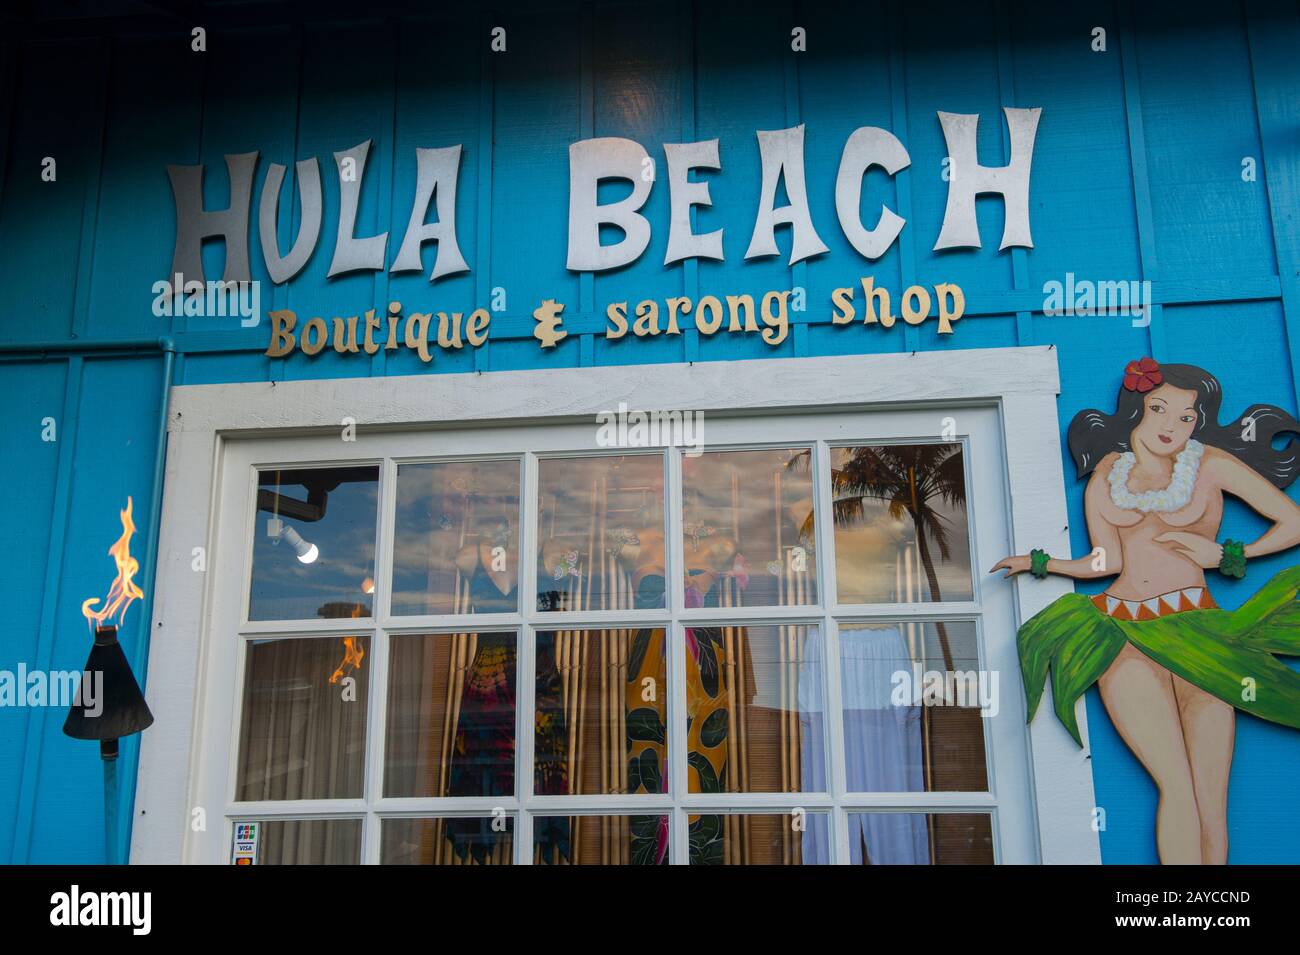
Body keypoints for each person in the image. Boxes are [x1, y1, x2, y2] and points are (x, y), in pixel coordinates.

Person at [992, 357, 1300, 864]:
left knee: (1209, 799)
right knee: (1174, 785)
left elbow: (1290, 521)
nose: (1171, 426)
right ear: (1137, 407)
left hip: (1202, 632)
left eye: (1185, 416)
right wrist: (1040, 562)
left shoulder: (1210, 464)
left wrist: (1226, 555)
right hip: (1125, 634)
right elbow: (1105, 560)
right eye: (1160, 409)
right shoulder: (1108, 475)